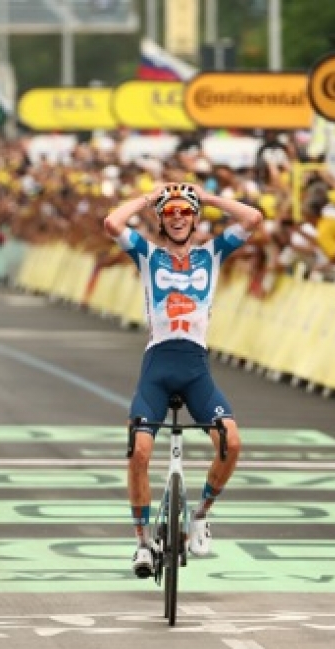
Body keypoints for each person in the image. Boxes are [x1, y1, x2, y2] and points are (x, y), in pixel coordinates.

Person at [103, 181, 262, 578]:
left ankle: (201, 515)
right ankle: (142, 542)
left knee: (231, 443)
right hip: (157, 366)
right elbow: (112, 223)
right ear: (161, 219)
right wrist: (149, 197)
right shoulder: (148, 254)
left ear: (195, 219)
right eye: (170, 212)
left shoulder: (212, 253)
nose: (178, 217)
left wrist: (206, 197)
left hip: (195, 368)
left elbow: (253, 218)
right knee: (139, 452)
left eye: (185, 212)